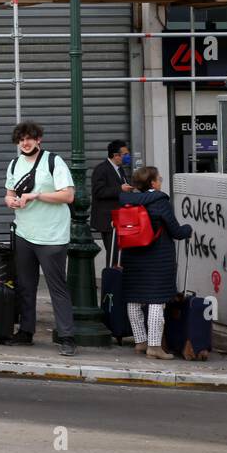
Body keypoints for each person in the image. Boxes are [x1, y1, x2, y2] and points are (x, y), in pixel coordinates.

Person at [4, 120, 78, 357]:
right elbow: (9, 194)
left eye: (29, 138)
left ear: (39, 140)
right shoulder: (14, 164)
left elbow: (68, 195)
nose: (25, 143)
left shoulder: (54, 161)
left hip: (53, 235)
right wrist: (12, 201)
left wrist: (36, 195)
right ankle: (26, 332)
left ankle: (66, 336)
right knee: (26, 286)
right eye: (21, 139)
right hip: (24, 232)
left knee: (57, 286)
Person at [118, 167, 192, 361]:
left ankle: (140, 341)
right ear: (152, 183)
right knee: (156, 302)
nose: (160, 180)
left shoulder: (126, 201)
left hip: (132, 258)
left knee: (133, 300)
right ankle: (154, 346)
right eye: (158, 178)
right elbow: (176, 231)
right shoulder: (160, 201)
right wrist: (188, 229)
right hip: (157, 260)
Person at [90, 139, 133, 265]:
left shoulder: (120, 169)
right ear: (116, 156)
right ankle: (112, 279)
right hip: (107, 221)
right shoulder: (101, 170)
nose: (128, 157)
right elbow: (99, 192)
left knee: (119, 252)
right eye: (125, 154)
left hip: (119, 220)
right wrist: (120, 189)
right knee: (113, 252)